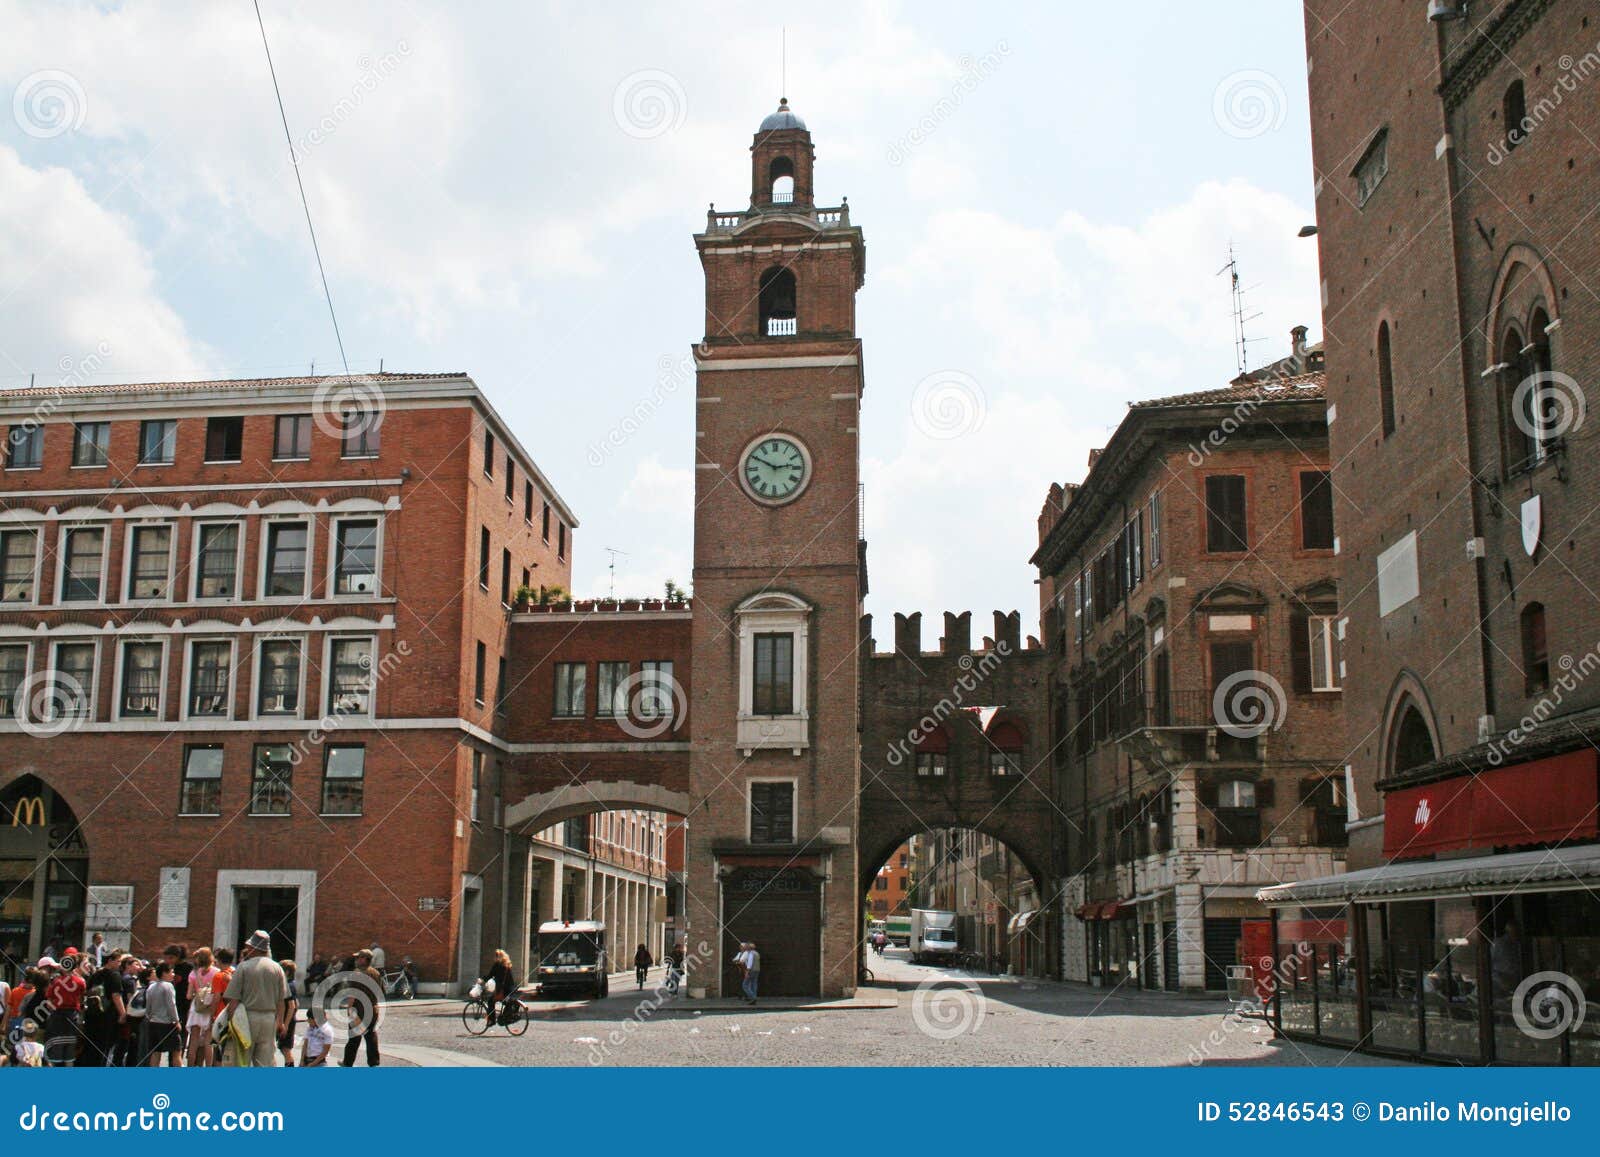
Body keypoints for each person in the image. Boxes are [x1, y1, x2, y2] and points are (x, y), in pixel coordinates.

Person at [220, 930, 289, 1067]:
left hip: (247, 1017)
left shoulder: (244, 967)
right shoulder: (277, 968)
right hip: (269, 1018)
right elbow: (281, 1000)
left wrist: (230, 1021)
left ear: (253, 948)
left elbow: (233, 999)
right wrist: (280, 1022)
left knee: (242, 1060)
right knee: (265, 1062)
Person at [79, 951, 126, 1066]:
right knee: (104, 1048)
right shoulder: (114, 975)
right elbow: (116, 995)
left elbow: (86, 992)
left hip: (92, 1015)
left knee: (91, 1047)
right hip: (107, 1016)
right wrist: (123, 1013)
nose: (120, 964)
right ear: (110, 961)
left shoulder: (95, 974)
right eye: (118, 961)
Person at [339, 949, 384, 1067]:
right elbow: (380, 993)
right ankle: (374, 1063)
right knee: (371, 1036)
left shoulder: (356, 973)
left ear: (364, 959)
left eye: (358, 958)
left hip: (359, 1010)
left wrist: (350, 1010)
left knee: (354, 1038)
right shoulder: (376, 973)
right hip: (373, 1009)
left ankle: (347, 1062)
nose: (356, 960)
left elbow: (352, 995)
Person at [42, 952, 86, 1066]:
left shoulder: (56, 982)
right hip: (73, 1017)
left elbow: (49, 1003)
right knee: (70, 1053)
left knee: (55, 1050)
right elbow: (82, 1000)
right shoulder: (80, 982)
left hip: (57, 1018)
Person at [142, 962, 182, 1068]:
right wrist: (176, 1020)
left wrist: (149, 1016)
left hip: (153, 1022)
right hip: (167, 1023)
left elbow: (148, 1005)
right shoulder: (168, 986)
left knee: (156, 1051)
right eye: (171, 972)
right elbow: (171, 1005)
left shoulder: (151, 987)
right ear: (164, 973)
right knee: (176, 1051)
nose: (173, 974)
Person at [184, 947, 218, 1067]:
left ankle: (190, 1066)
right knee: (209, 1042)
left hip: (196, 1008)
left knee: (193, 1041)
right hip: (209, 1008)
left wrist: (197, 993)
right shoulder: (216, 972)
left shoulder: (193, 974)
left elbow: (188, 995)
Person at [483, 948, 517, 1026]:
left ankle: (492, 1021)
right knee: (505, 1002)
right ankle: (505, 1016)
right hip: (510, 990)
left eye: (495, 956)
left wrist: (482, 980)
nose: (494, 958)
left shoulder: (497, 965)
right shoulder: (507, 965)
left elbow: (490, 975)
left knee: (490, 1001)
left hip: (502, 991)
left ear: (498, 957)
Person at [277, 960, 299, 1067]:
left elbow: (292, 1006)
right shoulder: (291, 984)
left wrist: (285, 1025)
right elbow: (297, 1004)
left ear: (286, 972)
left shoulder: (288, 986)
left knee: (285, 1048)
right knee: (283, 1047)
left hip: (287, 1020)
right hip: (287, 1019)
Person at [738, 941, 761, 1005]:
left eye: (747, 947)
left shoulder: (750, 954)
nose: (745, 948)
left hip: (751, 971)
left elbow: (749, 964)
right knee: (754, 984)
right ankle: (754, 998)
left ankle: (753, 997)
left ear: (748, 948)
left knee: (745, 985)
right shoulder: (757, 953)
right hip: (757, 970)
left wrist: (747, 972)